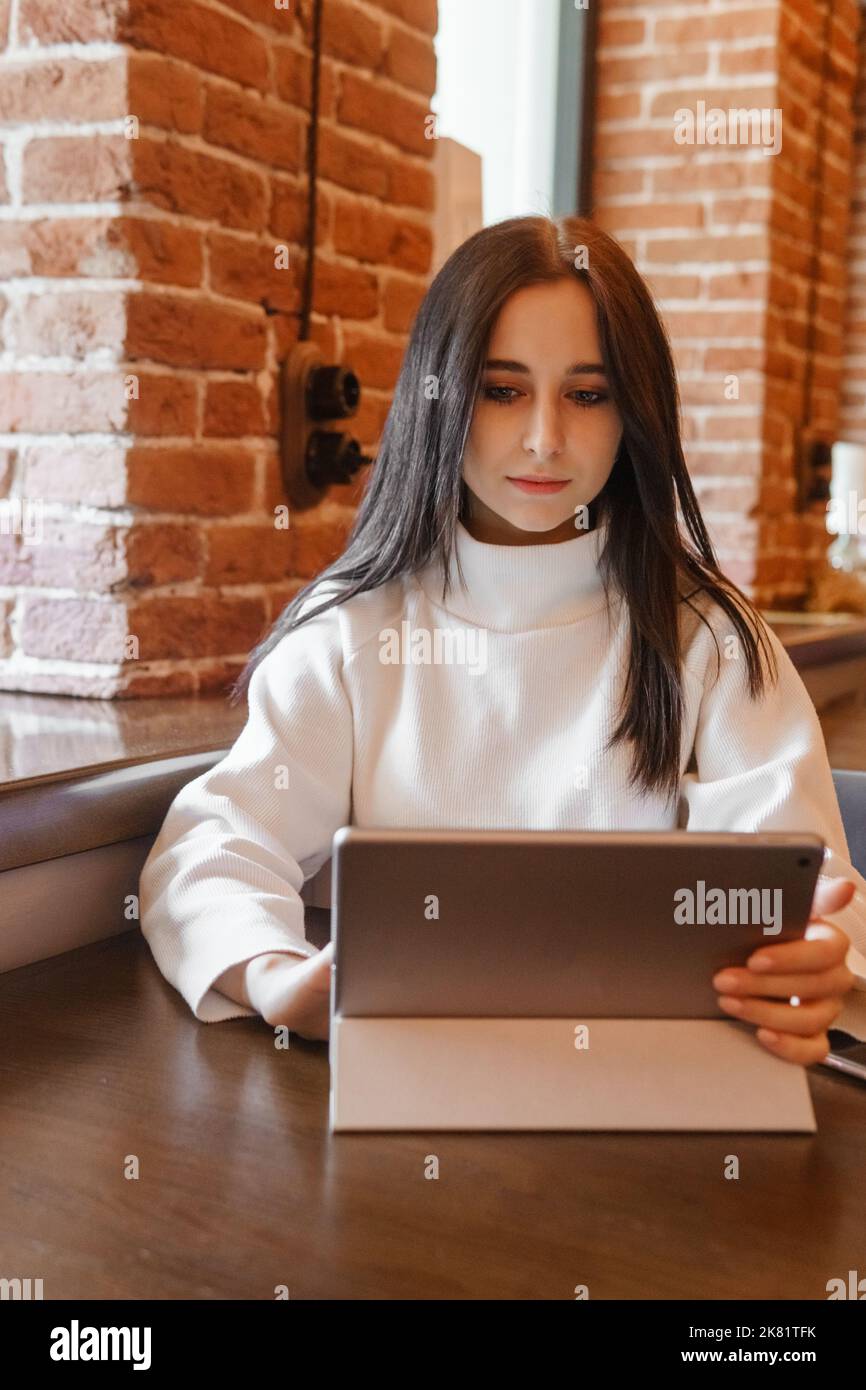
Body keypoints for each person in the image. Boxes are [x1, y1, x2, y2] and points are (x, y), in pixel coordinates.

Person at [138, 214, 866, 1062]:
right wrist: (273, 977)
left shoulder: (710, 640)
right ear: (440, 397)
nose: (545, 438)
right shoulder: (352, 631)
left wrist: (819, 964)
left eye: (588, 395)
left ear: (635, 414)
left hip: (662, 1089)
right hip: (409, 1085)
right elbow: (213, 844)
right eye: (502, 389)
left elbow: (806, 890)